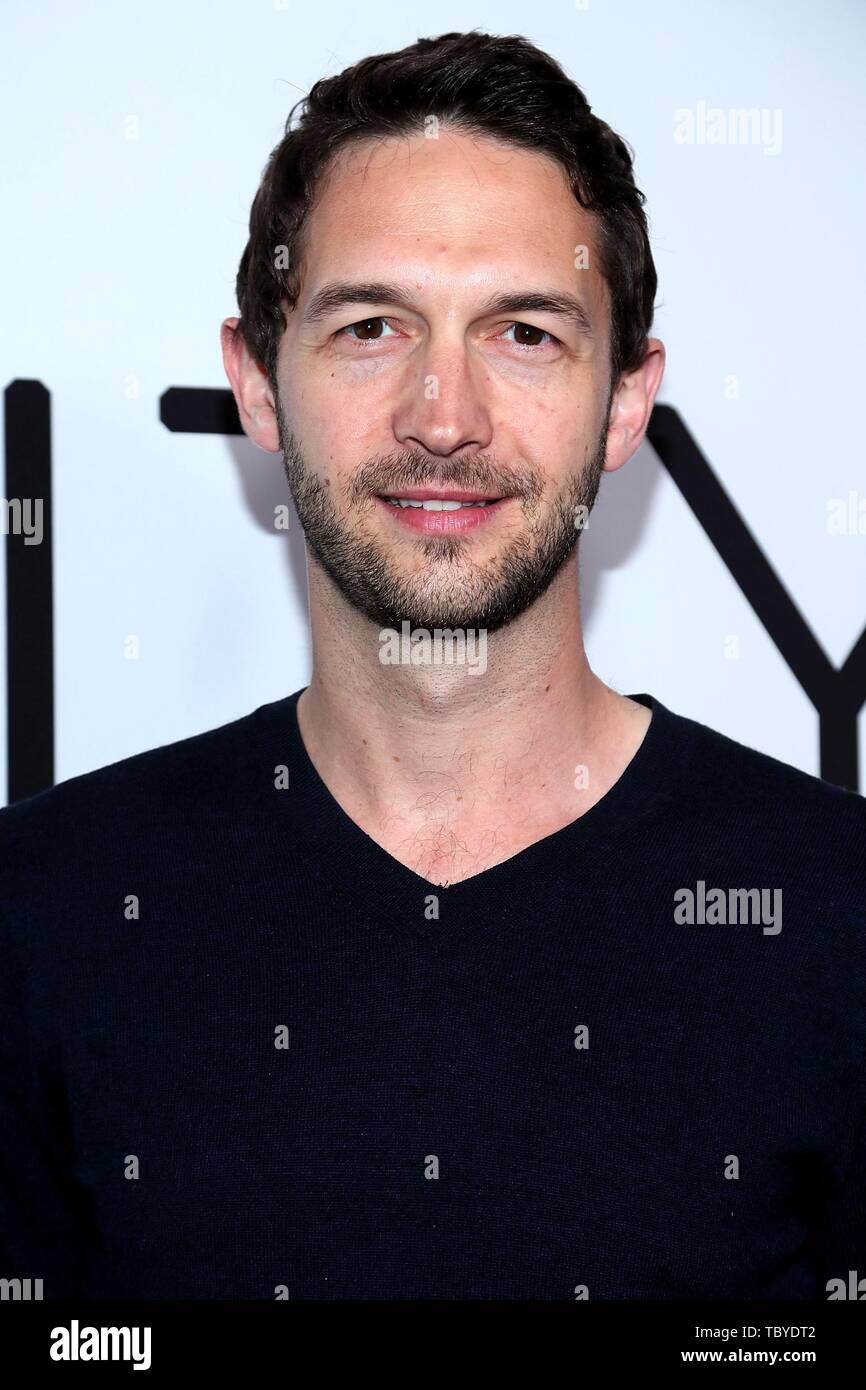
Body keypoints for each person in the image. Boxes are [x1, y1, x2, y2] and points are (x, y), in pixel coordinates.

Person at [1, 30, 864, 1301]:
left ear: (626, 401)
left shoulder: (836, 913)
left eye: (522, 332)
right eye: (368, 326)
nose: (442, 415)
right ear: (256, 382)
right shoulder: (42, 911)